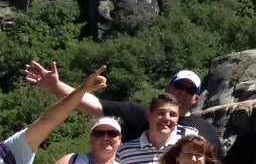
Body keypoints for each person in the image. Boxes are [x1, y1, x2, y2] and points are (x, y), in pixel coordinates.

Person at [22, 62, 222, 148]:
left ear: (196, 98)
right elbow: (94, 105)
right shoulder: (138, 114)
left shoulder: (207, 131)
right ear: (168, 86)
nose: (183, 92)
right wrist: (56, 87)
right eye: (179, 86)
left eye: (190, 90)